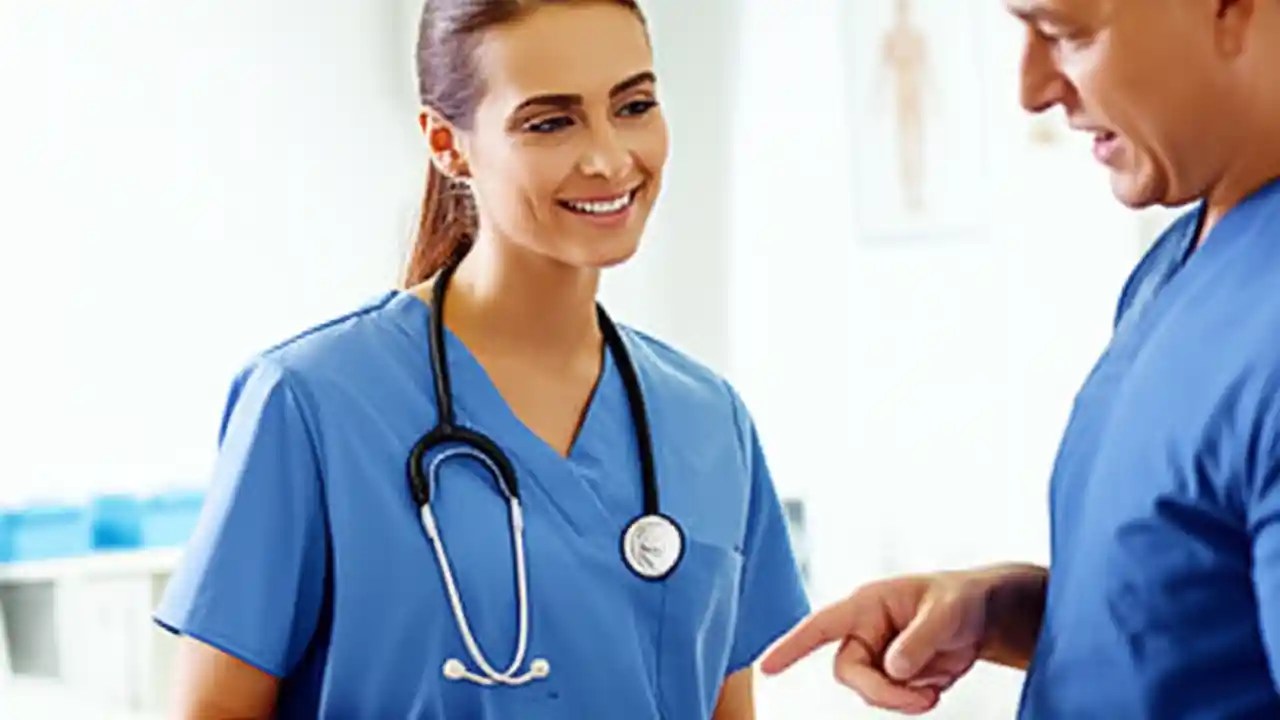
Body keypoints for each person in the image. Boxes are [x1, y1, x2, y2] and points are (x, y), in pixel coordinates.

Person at [153, 1, 809, 718]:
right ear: (447, 142)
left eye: (634, 105)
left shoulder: (707, 421)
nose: (609, 157)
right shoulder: (313, 404)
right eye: (549, 122)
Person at [762, 0, 1280, 717]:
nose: (1033, 88)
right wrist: (999, 611)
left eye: (1068, 34)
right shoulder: (1180, 261)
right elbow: (1197, 635)